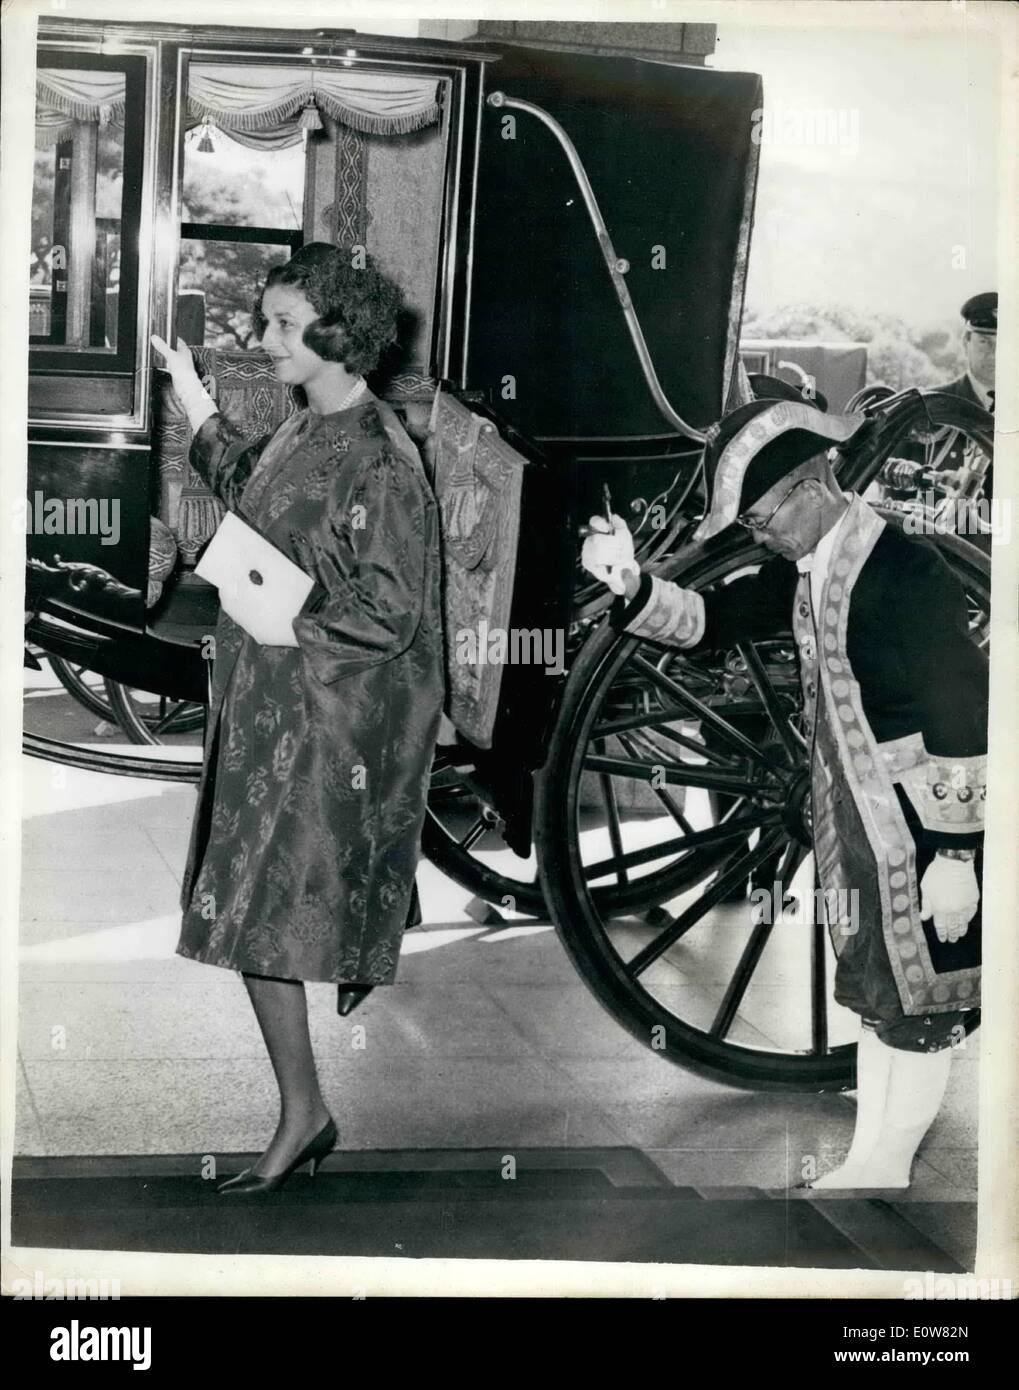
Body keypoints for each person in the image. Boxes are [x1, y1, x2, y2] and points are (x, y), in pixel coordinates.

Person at [582, 398, 986, 1190]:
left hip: (920, 823)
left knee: (924, 1000)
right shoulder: (808, 563)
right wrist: (631, 585)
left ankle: (884, 1163)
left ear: (810, 488)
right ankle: (875, 1159)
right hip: (858, 820)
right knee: (881, 989)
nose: (755, 533)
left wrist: (956, 858)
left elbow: (963, 714)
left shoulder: (904, 570)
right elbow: (709, 620)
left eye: (762, 518)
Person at [151, 243, 444, 1195]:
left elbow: (392, 613)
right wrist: (192, 398)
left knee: (259, 919)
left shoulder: (383, 460)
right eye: (266, 321)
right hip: (272, 711)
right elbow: (246, 478)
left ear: (335, 335)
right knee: (251, 920)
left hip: (330, 727)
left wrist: (286, 618)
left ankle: (303, 1113)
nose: (260, 337)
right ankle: (306, 1109)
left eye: (280, 325)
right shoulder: (304, 425)